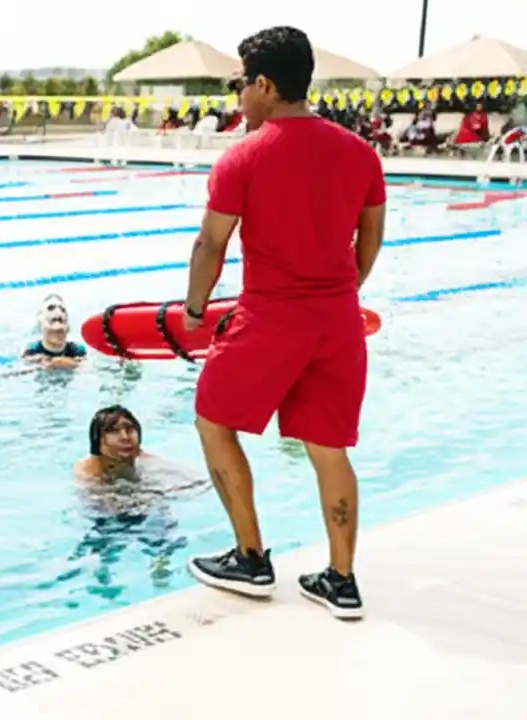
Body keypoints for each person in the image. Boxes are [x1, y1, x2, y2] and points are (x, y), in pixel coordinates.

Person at [181, 26, 384, 620]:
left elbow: (209, 245)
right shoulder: (360, 152)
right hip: (338, 321)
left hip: (269, 318)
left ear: (265, 84)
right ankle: (341, 581)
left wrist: (195, 310)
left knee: (213, 420)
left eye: (242, 84)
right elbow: (369, 239)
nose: (239, 96)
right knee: (329, 447)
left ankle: (250, 558)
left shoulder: (243, 155)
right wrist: (345, 291)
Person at [23, 294, 86, 369]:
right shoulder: (31, 351)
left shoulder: (78, 351)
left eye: (63, 310)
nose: (58, 311)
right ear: (40, 320)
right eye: (51, 308)